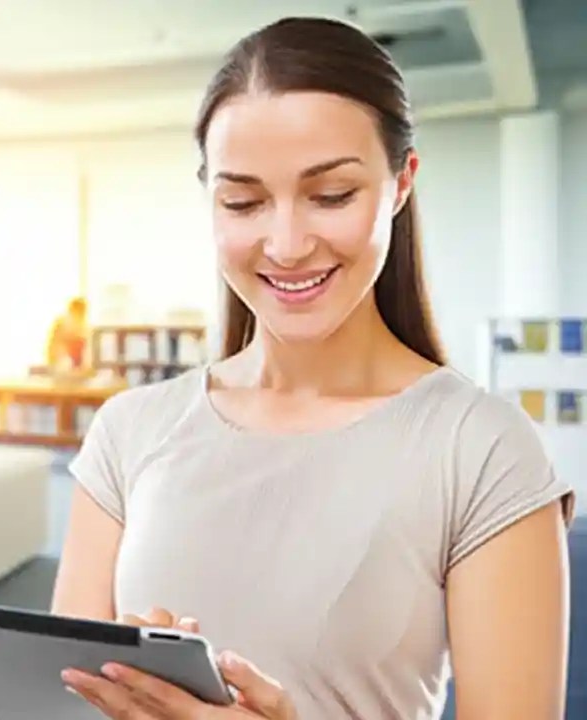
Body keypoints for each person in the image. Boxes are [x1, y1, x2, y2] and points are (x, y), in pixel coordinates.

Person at [54, 17, 572, 720]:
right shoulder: (129, 431)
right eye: (243, 202)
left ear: (400, 183)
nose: (288, 243)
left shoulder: (482, 449)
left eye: (331, 196)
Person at [47, 297, 90, 369]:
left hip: (76, 367)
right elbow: (53, 350)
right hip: (61, 364)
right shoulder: (62, 324)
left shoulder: (84, 327)